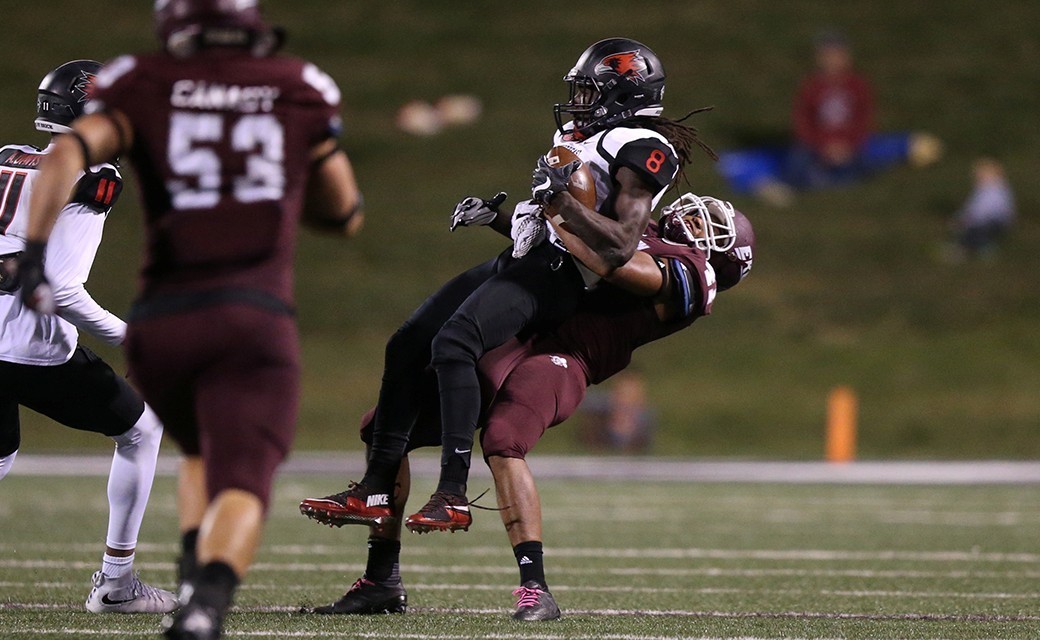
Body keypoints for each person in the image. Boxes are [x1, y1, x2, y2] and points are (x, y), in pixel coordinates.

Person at [18, 1, 364, 638]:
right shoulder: (297, 84)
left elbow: (65, 154)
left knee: (185, 450)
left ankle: (182, 578)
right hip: (247, 311)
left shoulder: (135, 85)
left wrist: (30, 256)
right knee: (218, 460)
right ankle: (175, 592)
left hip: (164, 316)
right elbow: (343, 214)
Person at [300, 37, 716, 535]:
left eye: (590, 91)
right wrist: (502, 218)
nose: (579, 101)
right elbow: (550, 217)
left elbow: (621, 246)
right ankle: (374, 489)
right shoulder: (584, 135)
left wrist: (562, 202)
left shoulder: (642, 147)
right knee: (407, 343)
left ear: (624, 94)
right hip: (524, 260)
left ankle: (452, 494)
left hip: (561, 274)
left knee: (455, 343)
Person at [300, 194, 755, 620]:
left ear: (723, 256)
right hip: (525, 335)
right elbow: (568, 248)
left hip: (567, 359)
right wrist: (508, 221)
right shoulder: (644, 231)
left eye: (710, 225)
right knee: (384, 425)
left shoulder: (695, 274)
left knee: (504, 437)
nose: (693, 216)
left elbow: (614, 265)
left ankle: (536, 588)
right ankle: (380, 579)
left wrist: (561, 208)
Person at [0, 59, 178, 615]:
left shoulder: (7, 158)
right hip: (27, 345)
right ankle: (116, 583)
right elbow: (60, 288)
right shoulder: (93, 175)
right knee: (142, 430)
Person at [785, 29, 875, 189]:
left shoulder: (857, 86)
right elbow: (803, 121)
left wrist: (848, 144)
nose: (832, 61)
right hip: (817, 146)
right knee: (796, 161)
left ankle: (831, 180)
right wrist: (822, 145)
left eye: (837, 55)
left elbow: (863, 118)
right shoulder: (811, 87)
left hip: (848, 146)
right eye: (827, 56)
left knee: (866, 160)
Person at [944, 157, 1016, 262]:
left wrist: (966, 220)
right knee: (971, 232)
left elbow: (984, 210)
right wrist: (960, 218)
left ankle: (973, 249)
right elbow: (971, 207)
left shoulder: (996, 191)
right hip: (986, 221)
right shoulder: (982, 191)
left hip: (994, 221)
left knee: (976, 231)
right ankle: (965, 248)